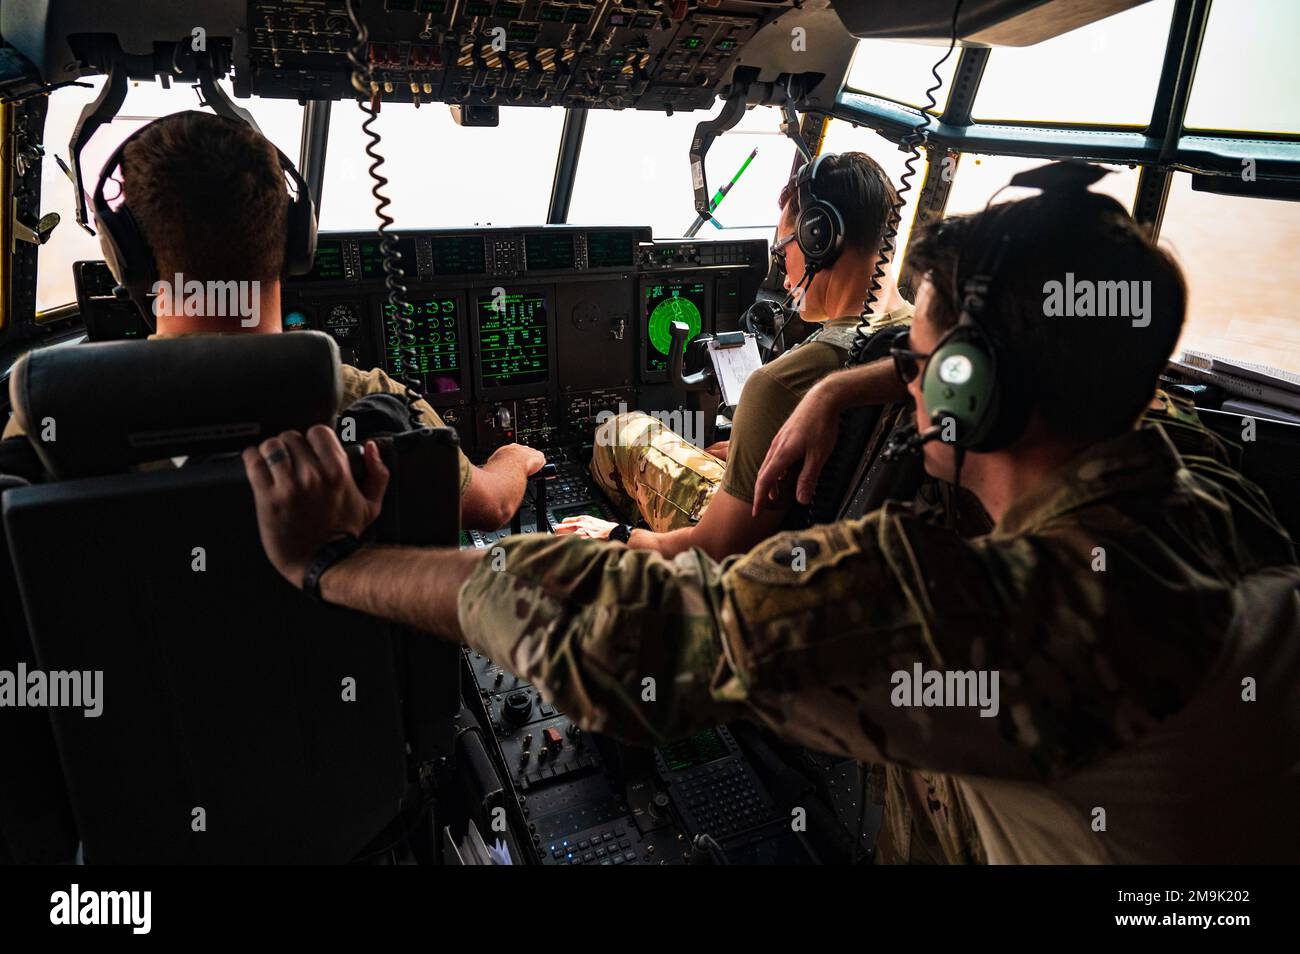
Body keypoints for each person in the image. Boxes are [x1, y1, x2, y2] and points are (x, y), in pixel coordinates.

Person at [240, 179, 1300, 864]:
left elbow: (623, 632)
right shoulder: (1207, 490)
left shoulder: (979, 610)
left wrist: (338, 561)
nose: (914, 387)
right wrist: (852, 385)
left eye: (926, 366)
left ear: (978, 388)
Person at [0, 111, 540, 530]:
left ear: (127, 258)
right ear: (296, 240)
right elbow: (490, 508)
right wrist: (513, 458)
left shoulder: (52, 416)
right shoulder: (372, 407)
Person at [554, 152, 913, 559]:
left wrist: (618, 537)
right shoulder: (925, 345)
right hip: (845, 551)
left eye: (783, 249)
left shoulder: (780, 384)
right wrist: (749, 445)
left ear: (819, 238)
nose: (784, 268)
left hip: (751, 556)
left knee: (619, 430)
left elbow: (714, 549)